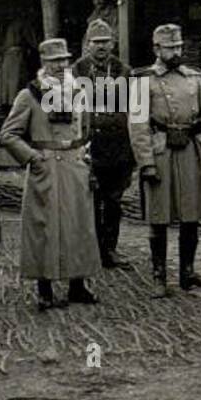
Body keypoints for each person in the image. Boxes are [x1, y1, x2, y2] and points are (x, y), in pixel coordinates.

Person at [0, 37, 101, 310]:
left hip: (75, 167)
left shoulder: (78, 91)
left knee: (79, 226)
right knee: (45, 227)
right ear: (43, 63)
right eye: (55, 60)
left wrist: (86, 153)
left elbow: (87, 128)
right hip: (46, 168)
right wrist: (33, 157)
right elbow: (8, 135)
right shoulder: (30, 95)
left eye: (65, 60)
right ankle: (44, 289)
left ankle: (77, 286)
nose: (61, 65)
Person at [129, 23, 201, 297]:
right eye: (171, 47)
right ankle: (159, 276)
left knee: (191, 216)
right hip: (161, 152)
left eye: (179, 46)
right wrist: (146, 162)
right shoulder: (142, 80)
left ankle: (188, 272)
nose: (177, 51)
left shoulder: (194, 78)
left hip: (192, 151)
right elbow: (137, 125)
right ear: (157, 48)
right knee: (159, 217)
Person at [72, 18, 136, 269]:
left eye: (105, 42)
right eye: (95, 42)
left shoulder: (125, 71)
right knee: (89, 201)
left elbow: (137, 111)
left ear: (113, 43)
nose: (101, 47)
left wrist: (135, 151)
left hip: (118, 147)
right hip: (88, 147)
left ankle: (109, 250)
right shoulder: (76, 72)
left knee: (113, 201)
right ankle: (90, 249)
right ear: (87, 45)